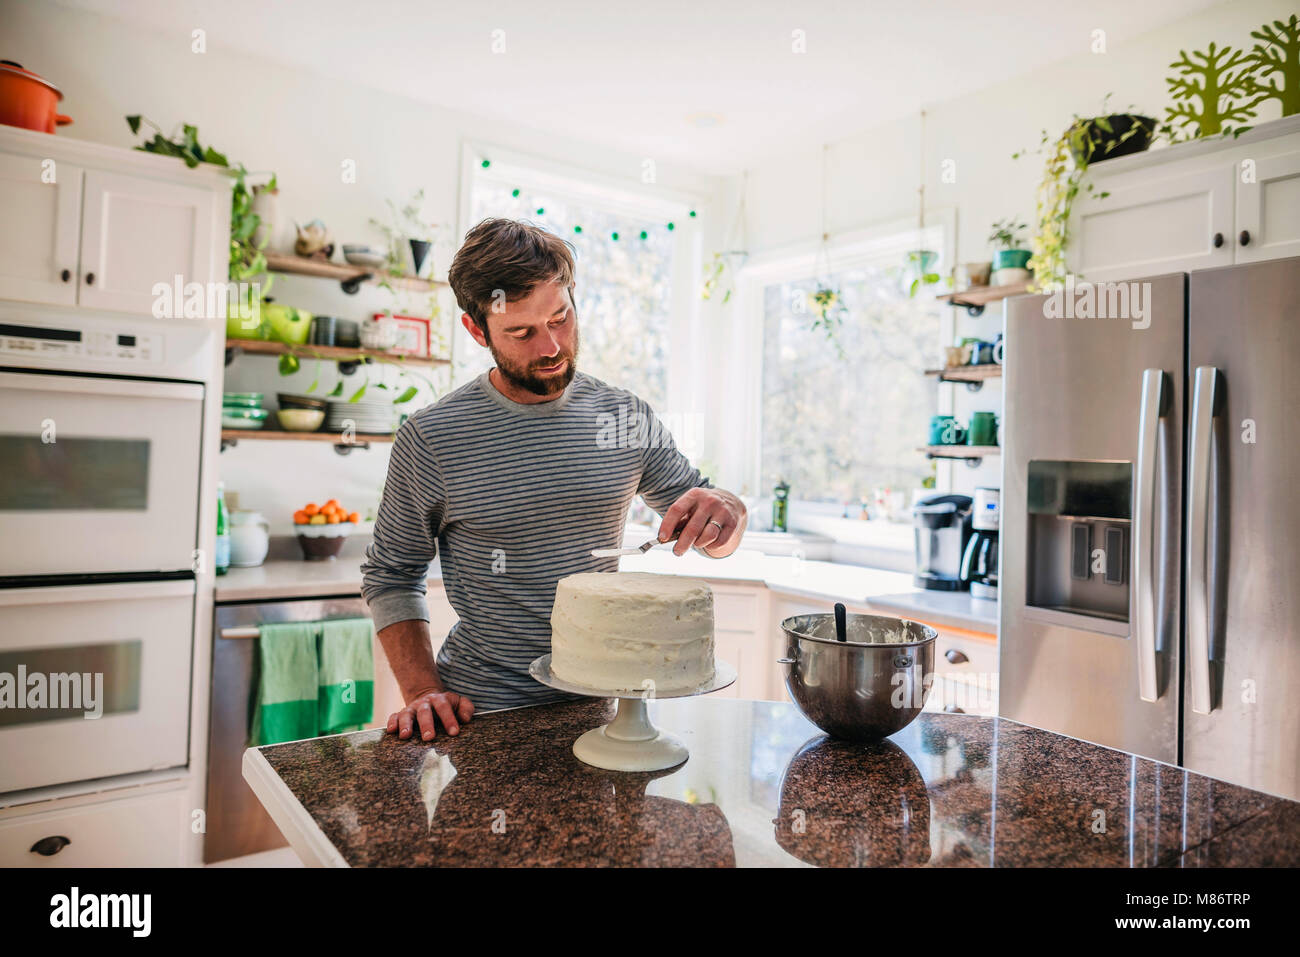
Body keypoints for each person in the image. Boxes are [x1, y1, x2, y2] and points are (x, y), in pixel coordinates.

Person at [361, 218, 748, 742]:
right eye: (521, 332)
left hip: (609, 712)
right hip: (481, 715)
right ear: (477, 330)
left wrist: (728, 511)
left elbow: (708, 526)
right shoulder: (431, 439)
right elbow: (391, 576)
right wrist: (422, 692)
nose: (551, 347)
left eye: (561, 318)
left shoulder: (625, 417)